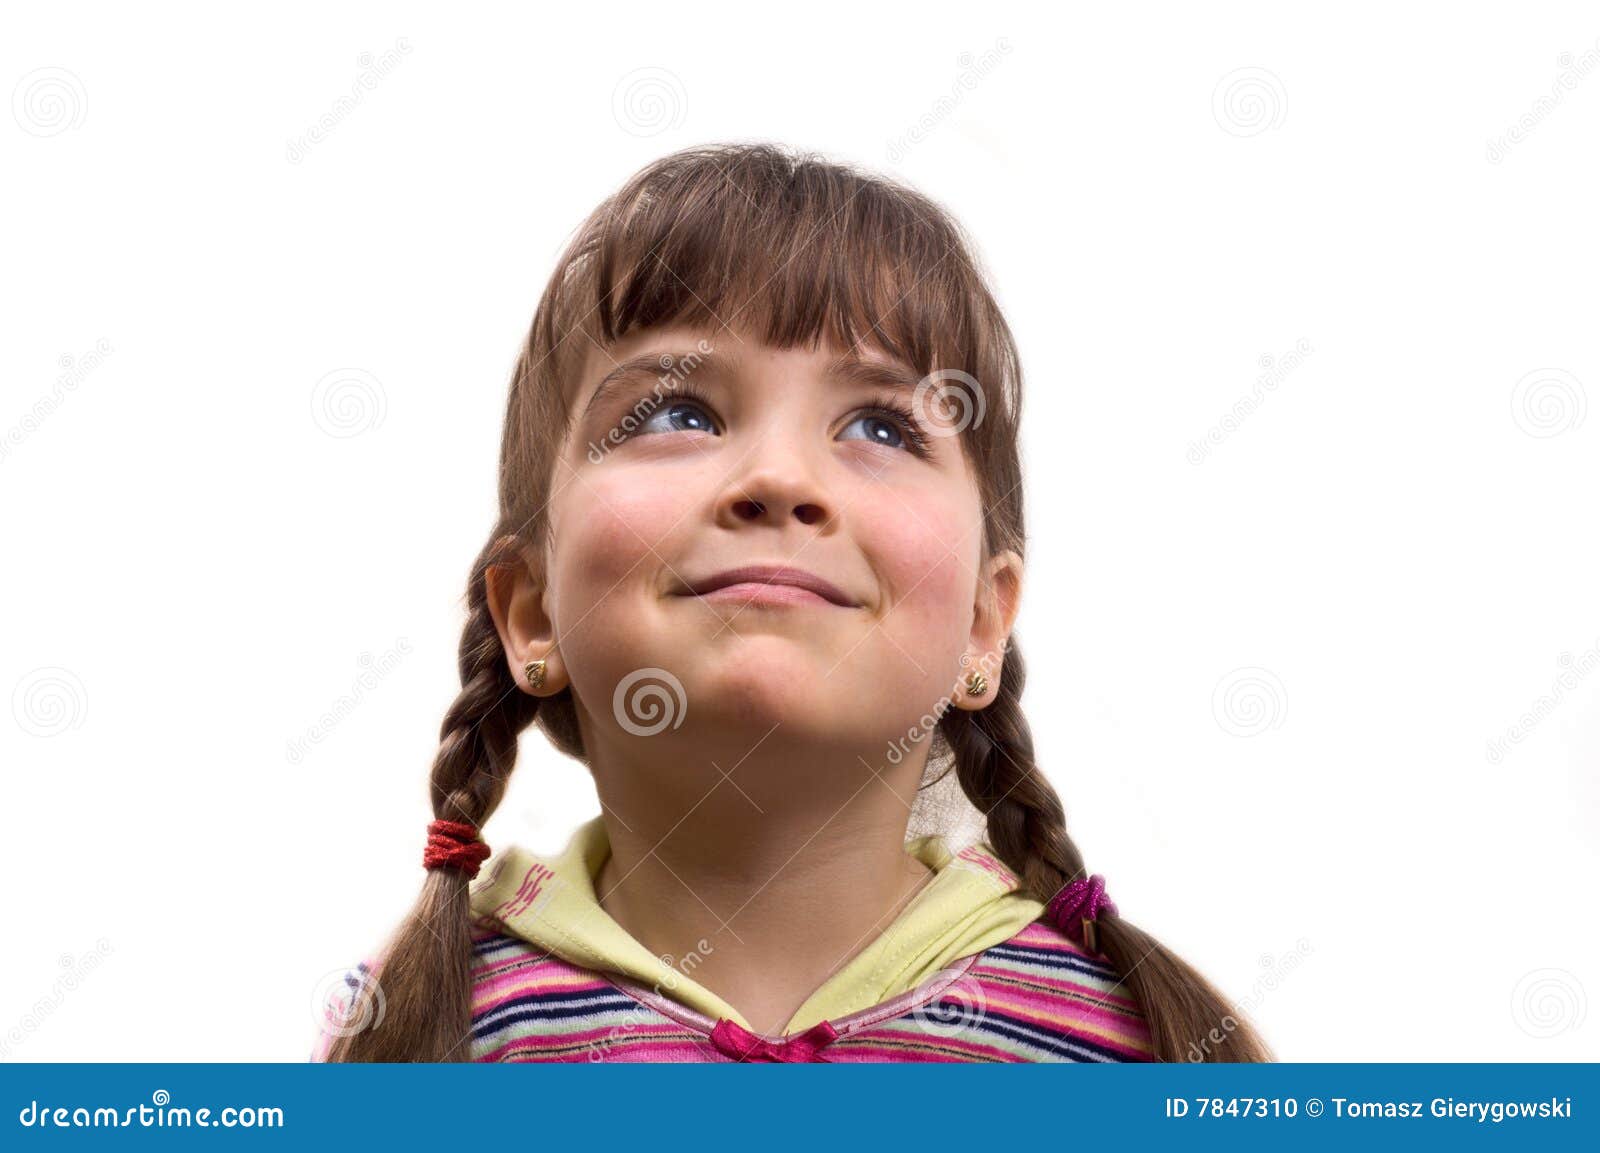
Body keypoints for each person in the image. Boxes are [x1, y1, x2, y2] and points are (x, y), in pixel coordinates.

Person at [314, 142, 1272, 1063]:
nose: (778, 476)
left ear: (984, 625)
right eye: (678, 413)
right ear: (530, 613)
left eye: (882, 427)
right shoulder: (412, 1035)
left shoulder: (1142, 1055)